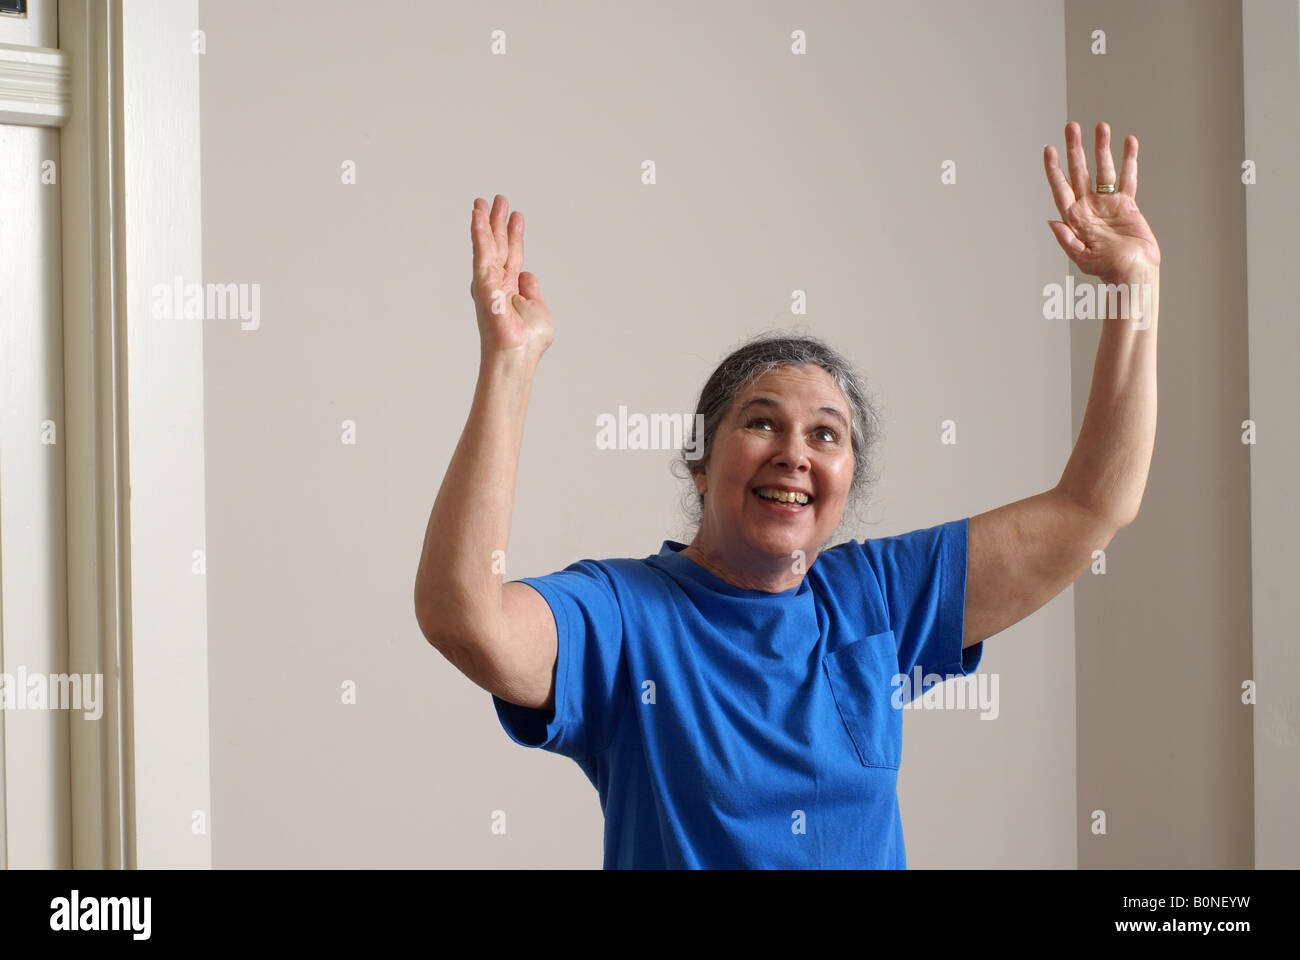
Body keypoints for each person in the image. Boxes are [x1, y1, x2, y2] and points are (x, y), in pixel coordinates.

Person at [414, 120, 1161, 868]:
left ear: (845, 484)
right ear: (700, 465)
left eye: (826, 435)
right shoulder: (623, 615)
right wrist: (509, 365)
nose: (795, 455)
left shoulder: (878, 600)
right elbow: (465, 620)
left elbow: (1094, 505)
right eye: (762, 423)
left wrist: (1136, 288)